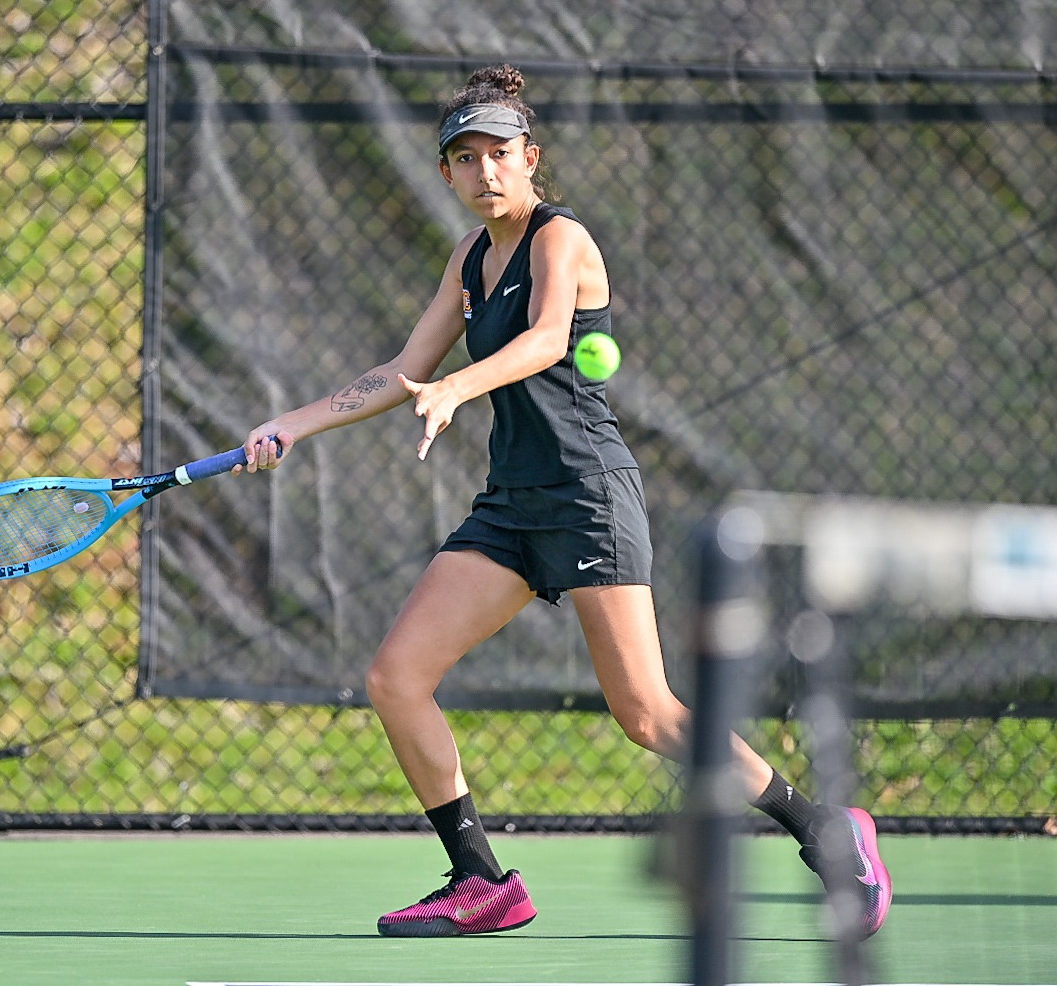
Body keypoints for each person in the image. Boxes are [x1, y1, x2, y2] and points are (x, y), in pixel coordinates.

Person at [234, 64, 892, 939]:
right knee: (396, 678)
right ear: (446, 174)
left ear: (529, 156)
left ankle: (823, 829)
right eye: (463, 159)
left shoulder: (561, 239)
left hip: (588, 494)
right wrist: (293, 422)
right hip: (511, 506)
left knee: (647, 713)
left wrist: (461, 387)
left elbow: (548, 340)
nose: (484, 172)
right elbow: (402, 370)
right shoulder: (469, 257)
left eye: (498, 153)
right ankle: (481, 879)